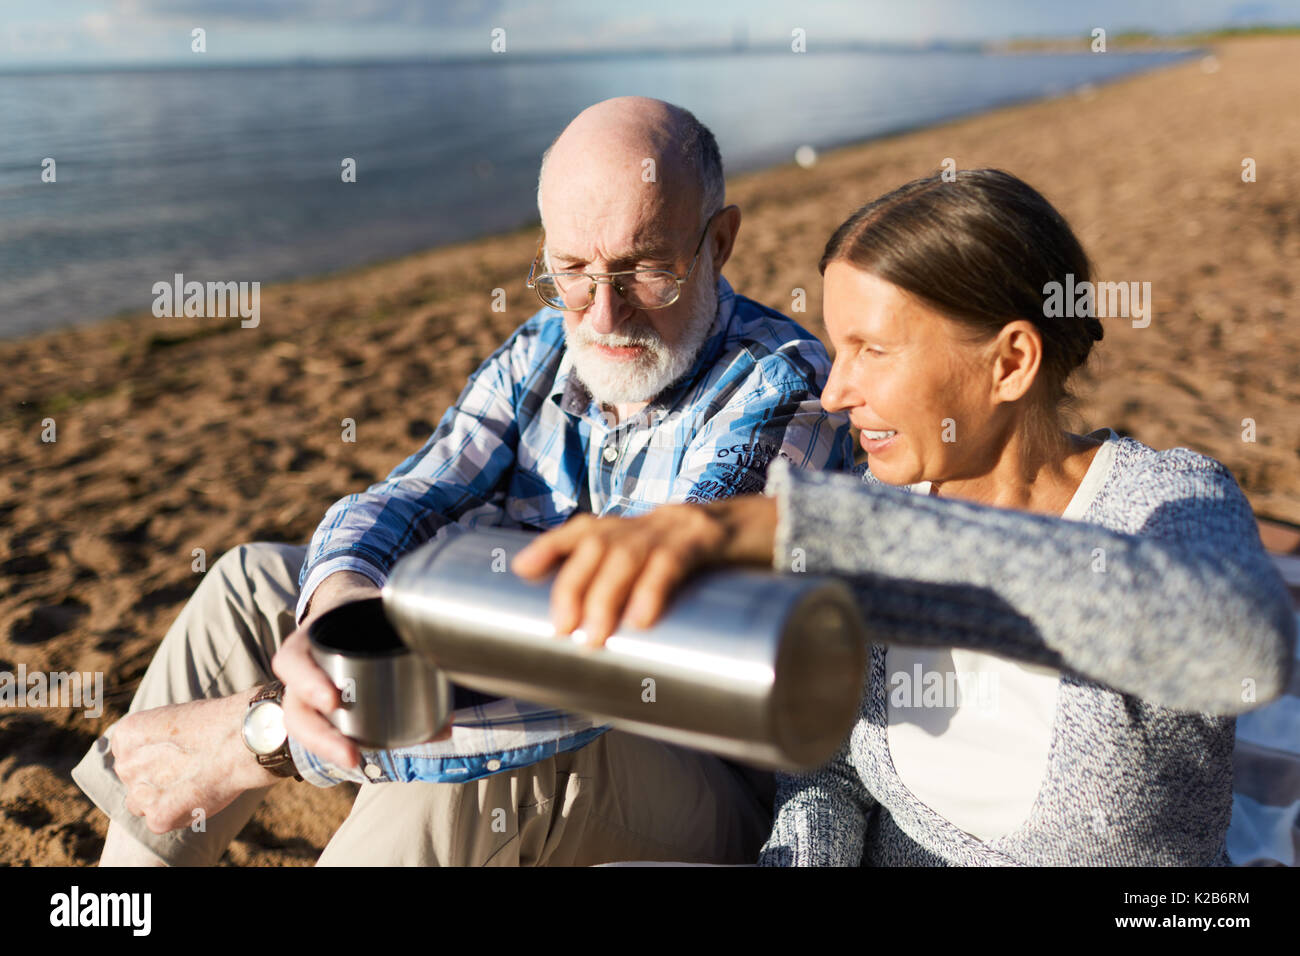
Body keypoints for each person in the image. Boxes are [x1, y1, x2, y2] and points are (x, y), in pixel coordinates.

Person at [71, 96, 853, 866]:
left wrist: (265, 740)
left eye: (645, 270)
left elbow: (624, 662)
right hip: (521, 658)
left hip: (697, 766)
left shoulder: (783, 394)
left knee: (469, 769)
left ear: (719, 242)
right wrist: (341, 601)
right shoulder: (547, 345)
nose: (603, 316)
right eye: (571, 270)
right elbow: (415, 494)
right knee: (249, 586)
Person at [513, 168, 1298, 865]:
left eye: (872, 351)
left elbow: (1238, 643)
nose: (835, 391)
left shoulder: (1166, 502)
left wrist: (786, 530)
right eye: (834, 349)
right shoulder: (881, 503)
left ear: (1011, 362)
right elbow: (830, 774)